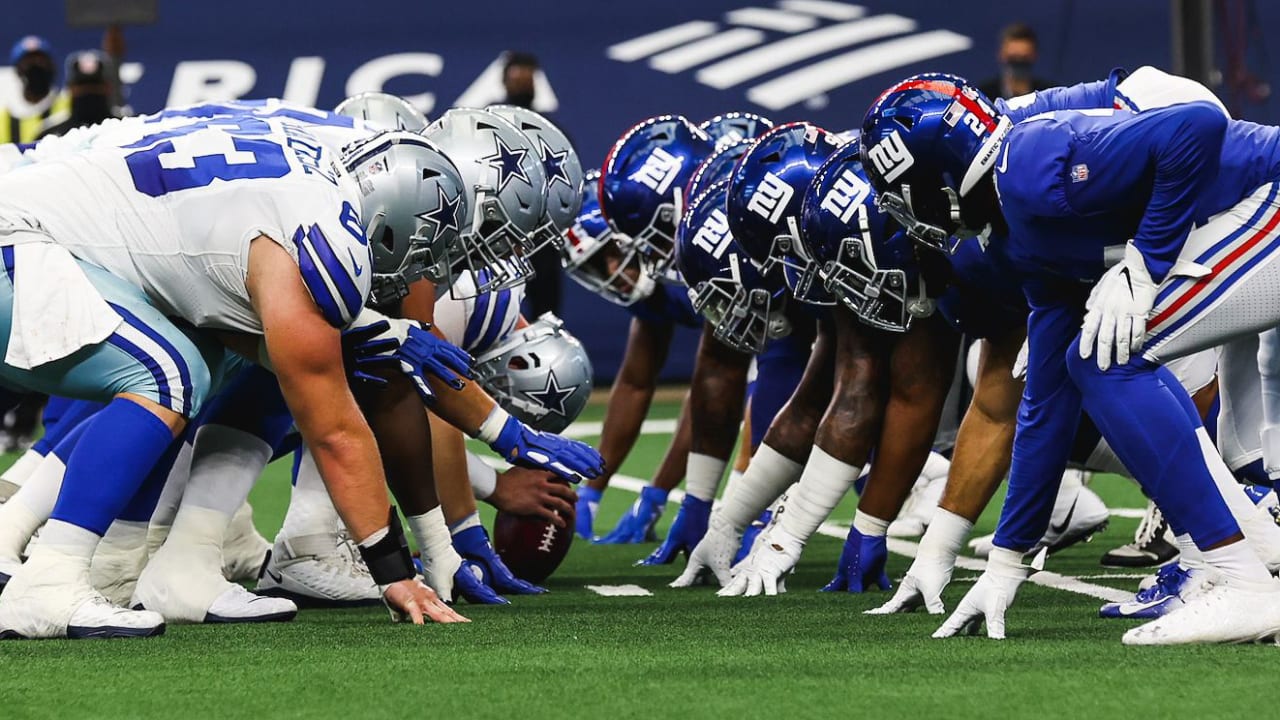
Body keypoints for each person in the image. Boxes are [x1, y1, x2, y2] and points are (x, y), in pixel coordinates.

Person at [859, 70, 1280, 645]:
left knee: (1107, 358)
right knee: (1090, 359)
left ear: (940, 174)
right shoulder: (1012, 233)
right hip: (1248, 213)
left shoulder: (1028, 162)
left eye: (905, 195)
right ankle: (1243, 549)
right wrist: (1006, 559)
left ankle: (1241, 580)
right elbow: (1046, 401)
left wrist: (1145, 261)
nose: (912, 218)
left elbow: (1198, 125)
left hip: (1268, 194)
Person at [1, 35, 69, 144]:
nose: (36, 67)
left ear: (52, 67)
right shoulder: (3, 121)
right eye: (28, 63)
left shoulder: (69, 107)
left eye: (41, 62)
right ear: (18, 71)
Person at [39, 50, 119, 139]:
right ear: (69, 89)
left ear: (109, 88)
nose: (89, 90)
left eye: (95, 84)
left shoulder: (128, 129)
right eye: (82, 85)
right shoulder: (50, 136)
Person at [977, 23, 1052, 101]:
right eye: (1012, 57)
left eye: (1024, 57)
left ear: (1034, 55)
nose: (1018, 62)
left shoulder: (1047, 95)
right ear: (1001, 54)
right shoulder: (984, 95)